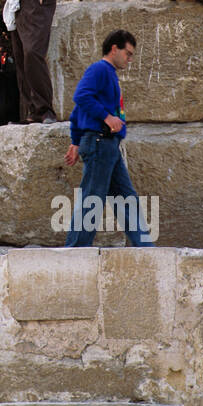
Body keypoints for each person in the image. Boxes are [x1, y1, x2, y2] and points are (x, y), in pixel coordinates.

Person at [62, 30, 154, 248]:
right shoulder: (100, 69)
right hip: (99, 142)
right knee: (92, 198)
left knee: (126, 199)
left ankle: (146, 249)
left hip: (106, 145)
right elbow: (81, 96)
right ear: (114, 48)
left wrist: (75, 142)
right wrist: (107, 117)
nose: (129, 60)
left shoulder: (107, 73)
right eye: (128, 54)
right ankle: (74, 252)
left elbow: (77, 112)